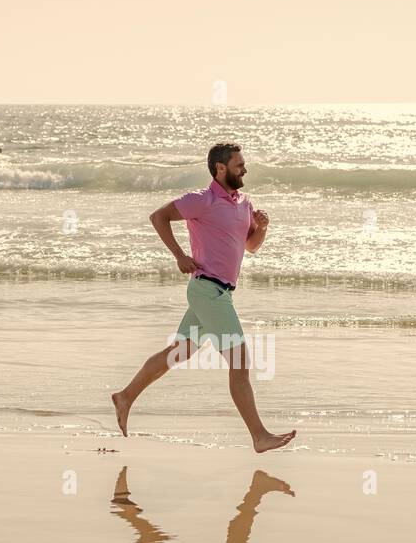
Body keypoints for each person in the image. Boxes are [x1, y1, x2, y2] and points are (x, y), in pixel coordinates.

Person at [110, 143, 296, 453]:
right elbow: (159, 217)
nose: (244, 169)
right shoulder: (201, 200)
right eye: (239, 165)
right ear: (220, 169)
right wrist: (179, 255)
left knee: (178, 353)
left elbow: (251, 246)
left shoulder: (244, 204)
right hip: (208, 290)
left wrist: (261, 228)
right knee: (240, 364)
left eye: (244, 164)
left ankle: (125, 396)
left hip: (218, 293)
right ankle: (259, 436)